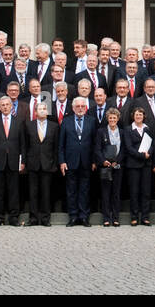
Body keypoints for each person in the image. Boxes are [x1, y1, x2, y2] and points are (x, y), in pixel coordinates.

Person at [0, 96, 23, 226]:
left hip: (13, 161)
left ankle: (14, 218)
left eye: (8, 104)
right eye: (3, 105)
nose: (5, 107)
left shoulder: (19, 121)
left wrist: (22, 161)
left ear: (11, 106)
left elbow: (22, 144)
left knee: (14, 191)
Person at [59, 97, 96, 227]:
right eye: (78, 106)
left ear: (85, 108)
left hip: (86, 161)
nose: (80, 108)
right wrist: (62, 161)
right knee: (71, 190)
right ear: (73, 108)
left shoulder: (92, 121)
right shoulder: (66, 121)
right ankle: (73, 216)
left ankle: (84, 216)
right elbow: (61, 144)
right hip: (70, 161)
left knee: (85, 190)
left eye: (82, 106)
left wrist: (93, 160)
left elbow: (94, 143)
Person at [24, 101, 60, 227]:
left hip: (48, 163)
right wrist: (24, 162)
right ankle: (33, 218)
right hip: (33, 163)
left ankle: (45, 218)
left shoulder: (54, 126)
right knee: (33, 193)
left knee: (46, 193)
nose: (43, 111)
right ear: (35, 112)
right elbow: (25, 145)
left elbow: (56, 147)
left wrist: (55, 163)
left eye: (45, 109)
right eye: (40, 109)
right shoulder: (29, 125)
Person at [122, 106, 152, 225]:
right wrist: (142, 155)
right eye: (136, 115)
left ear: (144, 116)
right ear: (133, 116)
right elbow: (128, 147)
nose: (138, 116)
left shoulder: (147, 129)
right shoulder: (128, 129)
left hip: (146, 164)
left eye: (140, 114)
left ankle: (145, 217)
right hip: (133, 164)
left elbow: (152, 143)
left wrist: (149, 153)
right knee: (134, 191)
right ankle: (134, 217)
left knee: (146, 191)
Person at [95, 108, 124, 226]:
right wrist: (103, 161)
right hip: (105, 166)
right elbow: (97, 149)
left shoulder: (122, 132)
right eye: (110, 118)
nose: (112, 120)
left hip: (117, 166)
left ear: (118, 119)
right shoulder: (101, 132)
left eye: (114, 118)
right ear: (107, 119)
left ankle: (116, 218)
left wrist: (117, 161)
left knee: (116, 193)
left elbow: (124, 149)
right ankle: (106, 218)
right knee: (106, 193)